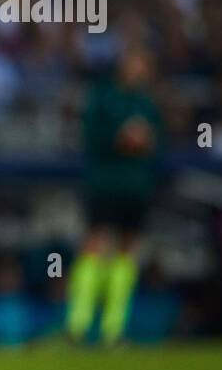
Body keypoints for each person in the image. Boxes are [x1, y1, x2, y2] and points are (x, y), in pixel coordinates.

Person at [66, 46, 163, 346]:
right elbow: (89, 135)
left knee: (127, 250)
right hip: (105, 184)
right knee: (94, 245)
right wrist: (120, 138)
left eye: (144, 64)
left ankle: (113, 329)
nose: (140, 70)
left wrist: (146, 141)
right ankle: (78, 325)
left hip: (136, 186)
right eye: (136, 63)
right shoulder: (103, 98)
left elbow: (160, 142)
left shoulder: (146, 104)